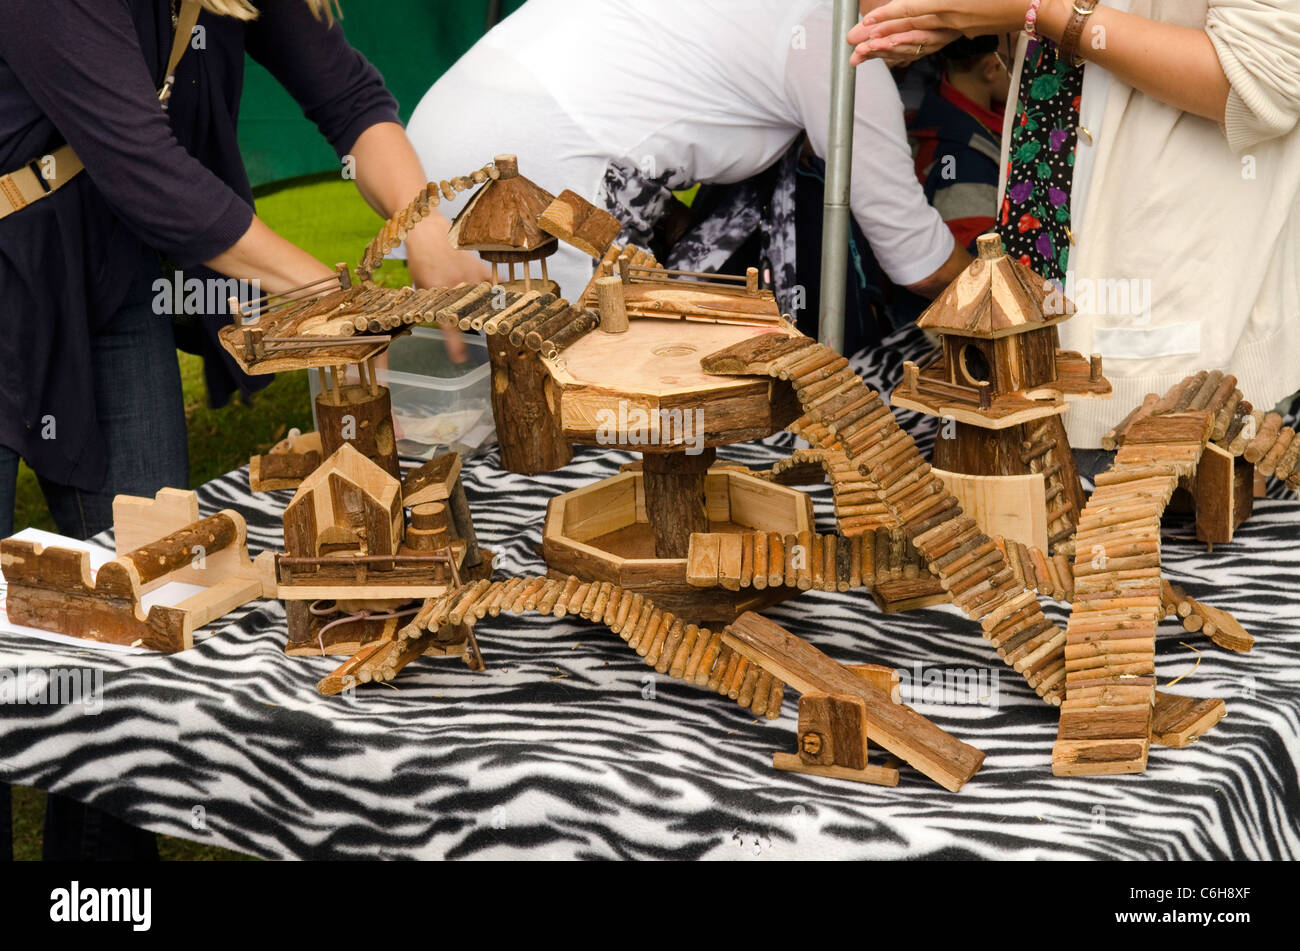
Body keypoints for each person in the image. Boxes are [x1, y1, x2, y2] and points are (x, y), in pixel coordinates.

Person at [0, 0, 483, 860]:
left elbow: (346, 97)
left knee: (152, 610)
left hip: (109, 280)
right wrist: (330, 294)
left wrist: (427, 230)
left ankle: (100, 892)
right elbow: (145, 168)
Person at [849, 0, 1300, 449]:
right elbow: (878, 11)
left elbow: (1262, 84)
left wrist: (1033, 10)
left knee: (1146, 500)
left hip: (1172, 333)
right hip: (1037, 298)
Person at [404, 0, 972, 351]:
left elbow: (643, 114)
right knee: (578, 393)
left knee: (471, 378)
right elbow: (915, 258)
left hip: (435, 135)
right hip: (536, 158)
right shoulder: (837, 37)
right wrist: (1003, 299)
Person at [907, 36, 1011, 253]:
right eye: (1015, 63)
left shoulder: (938, 109)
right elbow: (975, 254)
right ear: (992, 68)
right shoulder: (960, 156)